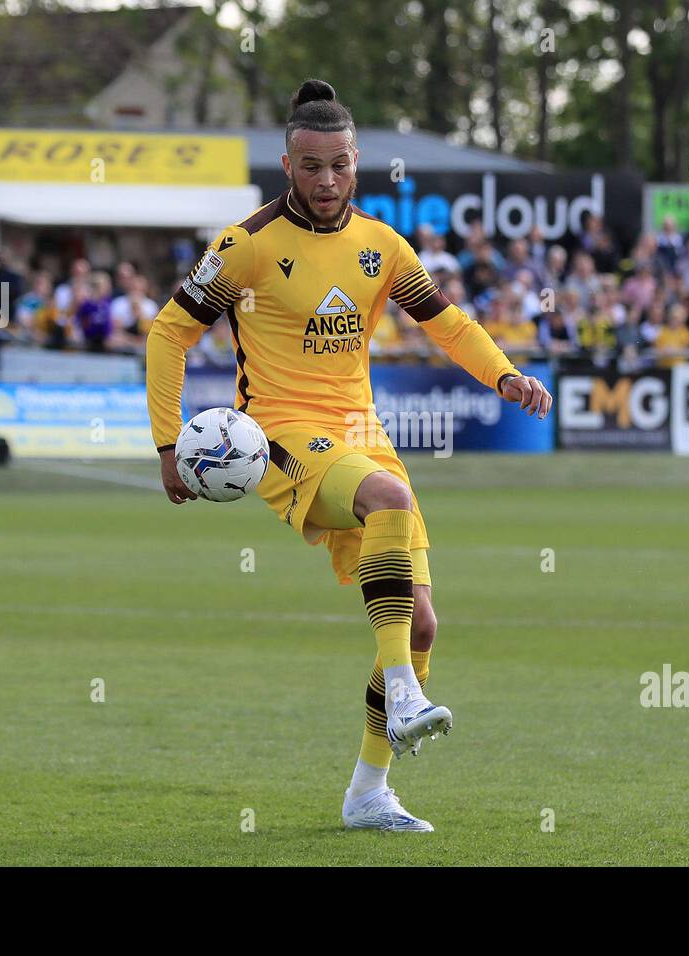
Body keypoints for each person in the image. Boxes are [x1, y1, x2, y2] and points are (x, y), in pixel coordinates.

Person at [146, 79, 552, 833]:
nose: (326, 181)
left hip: (362, 437)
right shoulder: (247, 245)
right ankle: (401, 688)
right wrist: (169, 443)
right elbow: (169, 332)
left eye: (339, 165)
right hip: (281, 438)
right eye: (310, 166)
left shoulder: (381, 245)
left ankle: (368, 791)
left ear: (356, 161)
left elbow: (448, 322)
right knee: (390, 513)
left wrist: (504, 373)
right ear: (286, 163)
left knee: (422, 623)